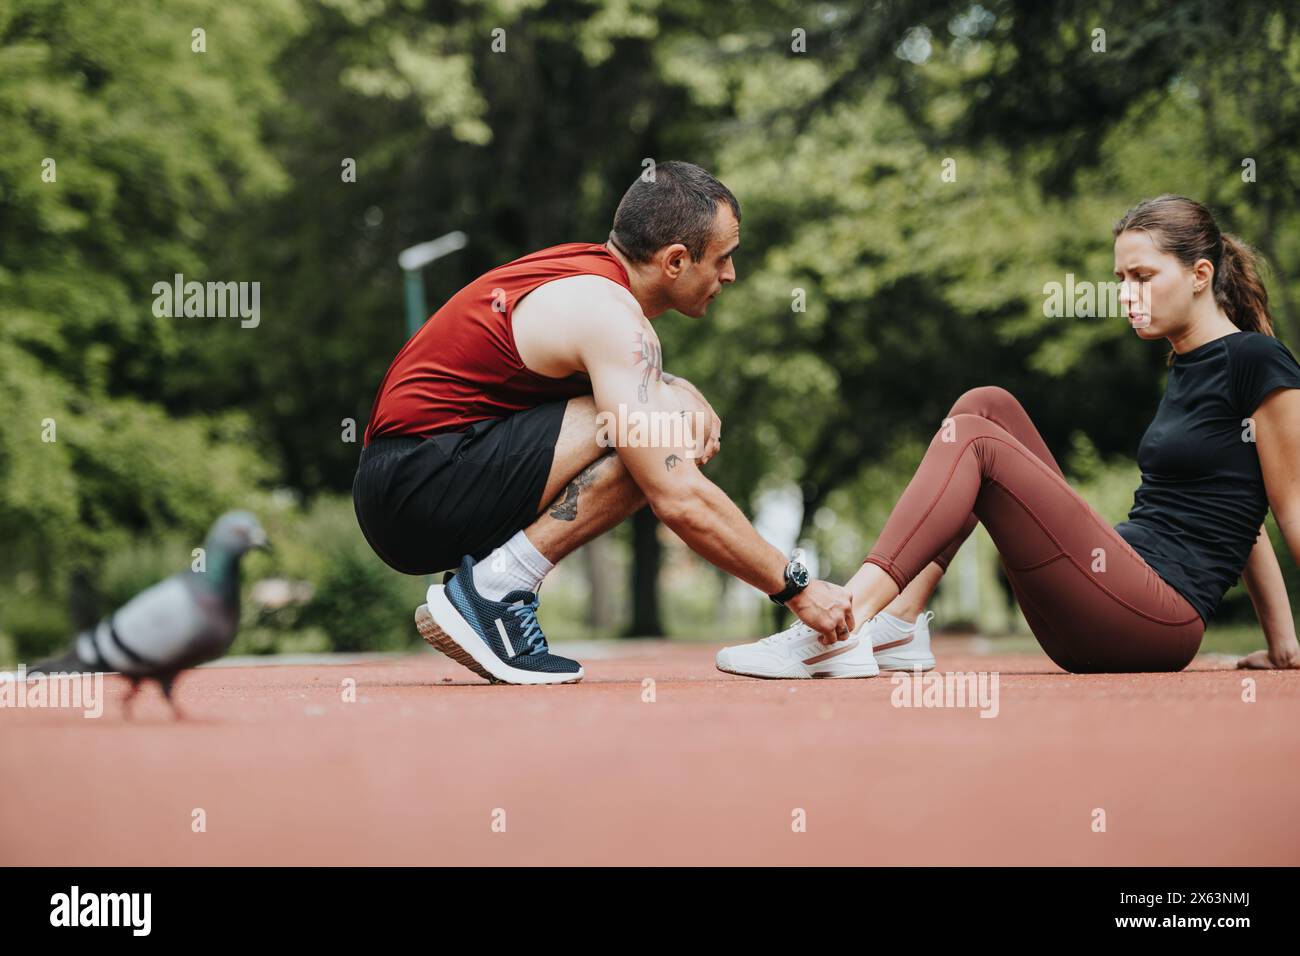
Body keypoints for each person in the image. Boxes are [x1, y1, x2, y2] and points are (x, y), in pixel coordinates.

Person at [718, 195, 1300, 678]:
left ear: (1201, 275)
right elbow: (1238, 512)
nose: (1126, 294)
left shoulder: (1258, 361)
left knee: (976, 440)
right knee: (984, 406)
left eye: (1143, 277)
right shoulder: (1187, 364)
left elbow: (1289, 502)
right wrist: (1282, 645)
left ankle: (842, 623)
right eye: (1120, 278)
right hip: (1110, 592)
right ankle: (897, 624)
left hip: (1153, 620)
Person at [354, 161, 855, 684]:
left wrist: (671, 387)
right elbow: (677, 496)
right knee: (667, 428)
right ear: (676, 260)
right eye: (724, 258)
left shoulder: (587, 278)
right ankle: (495, 590)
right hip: (414, 487)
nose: (730, 274)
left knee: (663, 410)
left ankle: (491, 583)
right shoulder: (610, 315)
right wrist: (797, 587)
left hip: (410, 477)